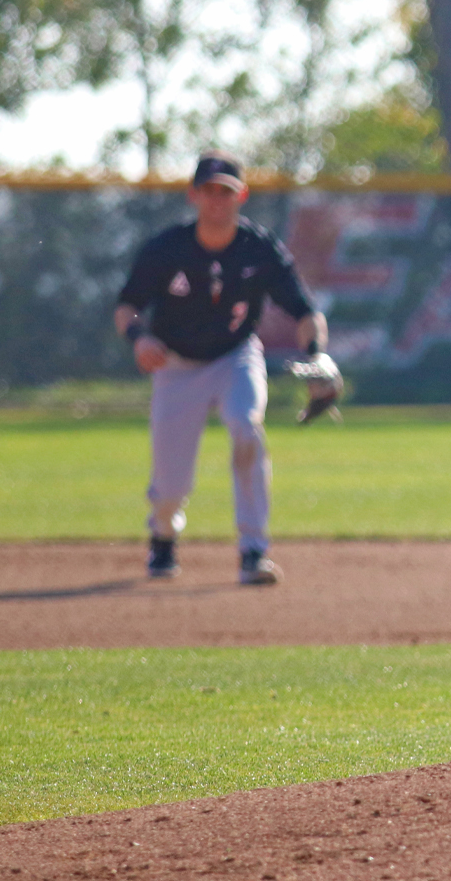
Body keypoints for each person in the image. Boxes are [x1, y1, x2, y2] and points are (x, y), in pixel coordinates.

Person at [114, 152, 328, 585]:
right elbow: (127, 307)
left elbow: (305, 310)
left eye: (226, 191)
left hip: (235, 355)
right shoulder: (166, 248)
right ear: (194, 195)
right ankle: (162, 535)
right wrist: (139, 338)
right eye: (209, 190)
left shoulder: (259, 248)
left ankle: (253, 550)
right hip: (175, 364)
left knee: (246, 426)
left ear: (241, 196)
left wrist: (318, 353)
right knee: (170, 484)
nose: (217, 199)